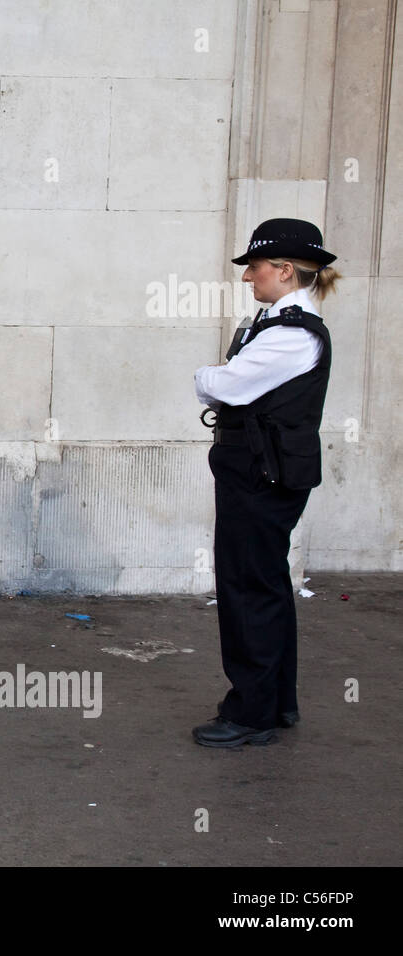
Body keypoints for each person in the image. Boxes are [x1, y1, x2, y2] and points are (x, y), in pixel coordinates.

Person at [192, 219, 339, 747]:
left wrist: (205, 377)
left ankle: (250, 713)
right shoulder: (279, 325)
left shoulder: (292, 333)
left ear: (284, 270)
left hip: (260, 473)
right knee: (265, 584)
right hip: (260, 470)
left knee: (247, 588)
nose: (249, 276)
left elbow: (224, 385)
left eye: (255, 266)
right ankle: (274, 702)